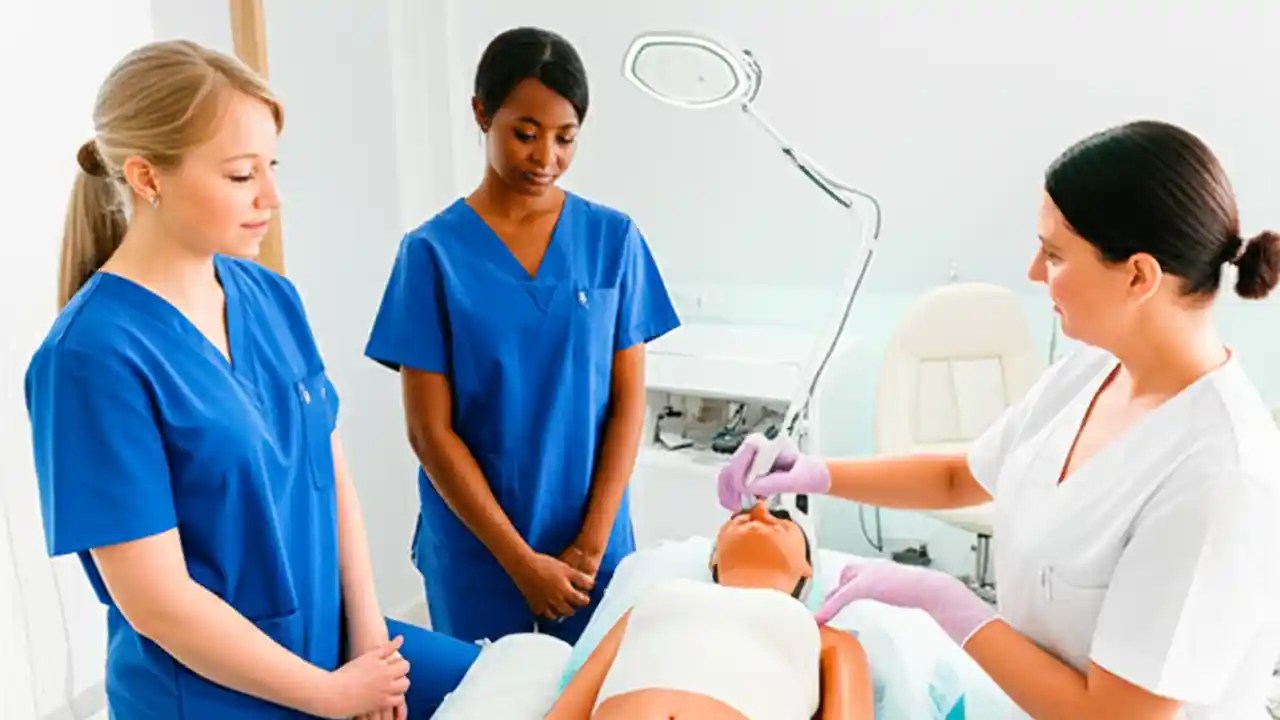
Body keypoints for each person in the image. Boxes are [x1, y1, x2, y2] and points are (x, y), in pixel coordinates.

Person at [718, 120, 1280, 720]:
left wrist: (948, 602)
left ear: (1138, 275)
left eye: (1055, 254)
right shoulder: (1091, 371)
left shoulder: (1220, 474)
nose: (1035, 272)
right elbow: (962, 477)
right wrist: (812, 473)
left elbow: (1119, 716)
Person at [24, 40, 478, 719]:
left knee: (542, 688)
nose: (273, 197)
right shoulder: (90, 358)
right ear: (147, 178)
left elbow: (332, 473)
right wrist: (329, 695)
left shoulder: (269, 296)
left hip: (331, 648)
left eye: (272, 167)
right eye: (241, 176)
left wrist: (369, 645)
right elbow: (157, 602)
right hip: (215, 692)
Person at [364, 26, 680, 645]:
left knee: (595, 698)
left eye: (566, 139)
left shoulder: (612, 241)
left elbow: (626, 405)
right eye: (526, 134)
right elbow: (430, 432)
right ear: (481, 114)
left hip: (591, 545)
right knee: (485, 698)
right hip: (479, 550)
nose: (545, 159)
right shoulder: (431, 255)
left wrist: (591, 545)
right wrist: (518, 560)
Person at [546, 499, 873, 719]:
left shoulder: (827, 640)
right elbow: (567, 710)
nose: (760, 510)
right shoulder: (653, 602)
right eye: (738, 516)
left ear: (808, 569)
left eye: (784, 519)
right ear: (712, 558)